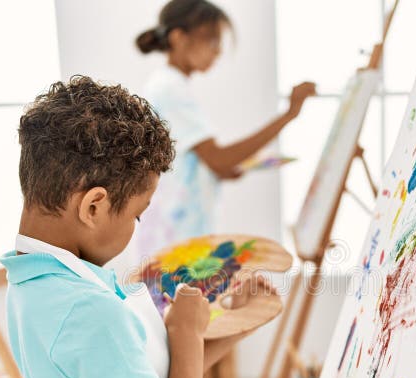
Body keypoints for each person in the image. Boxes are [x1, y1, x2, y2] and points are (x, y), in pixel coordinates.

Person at [1, 75, 225, 378]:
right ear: (95, 206)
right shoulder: (88, 313)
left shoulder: (34, 280)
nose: (136, 229)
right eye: (137, 215)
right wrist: (185, 333)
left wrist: (220, 329)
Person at [134, 0, 316, 255]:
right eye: (212, 41)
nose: (218, 51)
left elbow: (197, 161)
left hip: (177, 235)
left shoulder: (171, 85)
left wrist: (221, 169)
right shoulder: (170, 88)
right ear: (179, 38)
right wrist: (288, 115)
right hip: (176, 241)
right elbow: (218, 159)